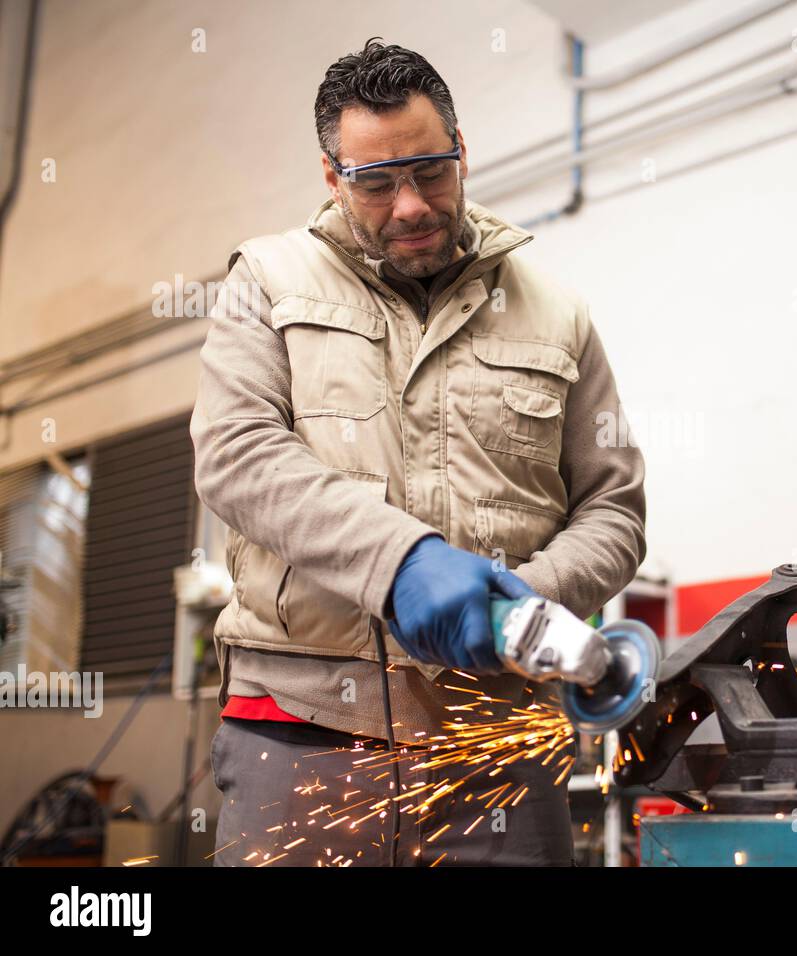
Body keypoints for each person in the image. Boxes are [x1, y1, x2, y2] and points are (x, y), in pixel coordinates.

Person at [190, 39, 646, 866]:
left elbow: (612, 509)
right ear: (332, 177)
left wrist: (517, 606)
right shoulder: (267, 278)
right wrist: (404, 564)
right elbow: (235, 454)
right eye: (375, 182)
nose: (410, 206)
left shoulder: (557, 314)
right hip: (301, 738)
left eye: (431, 171)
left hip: (498, 743)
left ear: (463, 152)